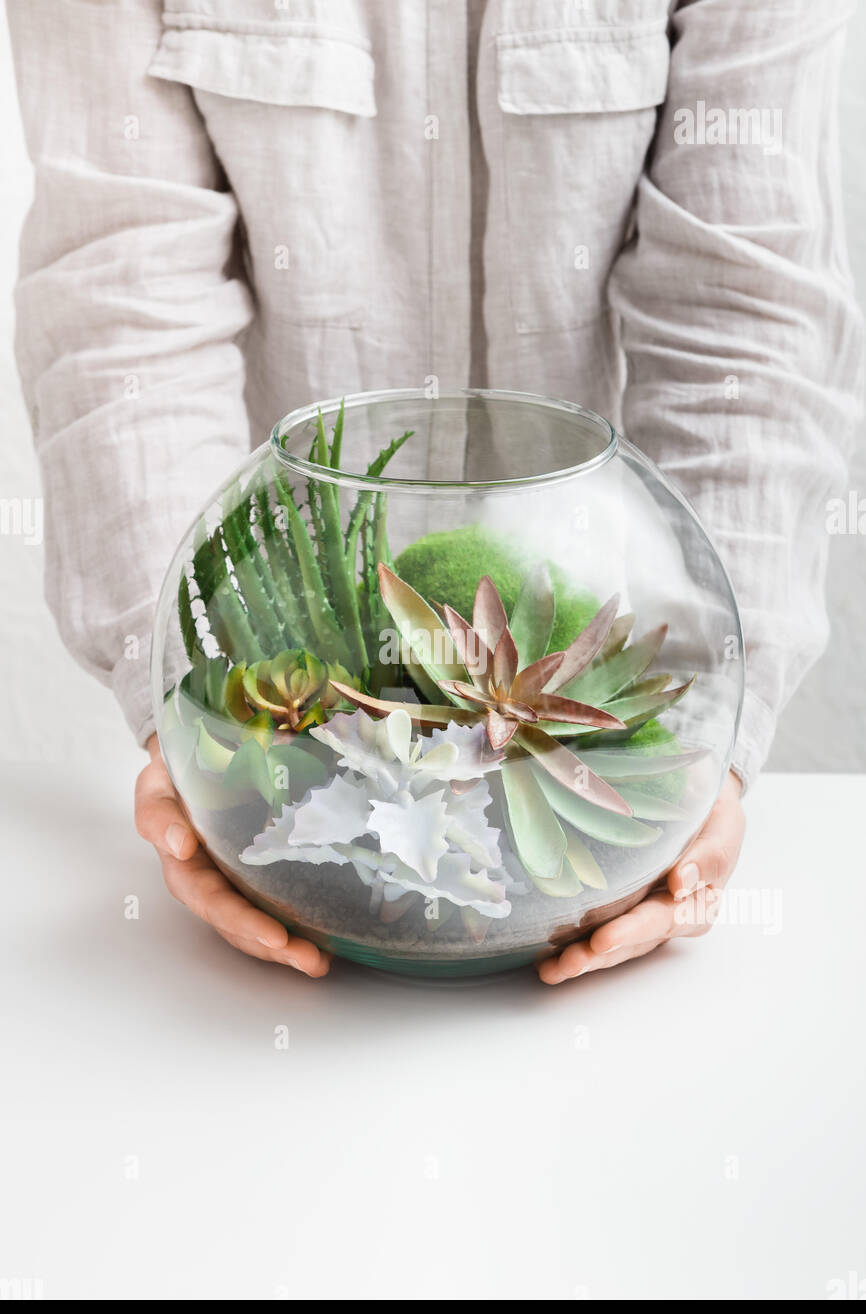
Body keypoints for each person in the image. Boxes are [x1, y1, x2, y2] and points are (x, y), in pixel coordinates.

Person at [8, 0, 862, 983]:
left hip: (608, 675)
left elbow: (738, 296)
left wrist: (707, 743)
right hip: (288, 713)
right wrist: (192, 720)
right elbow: (122, 280)